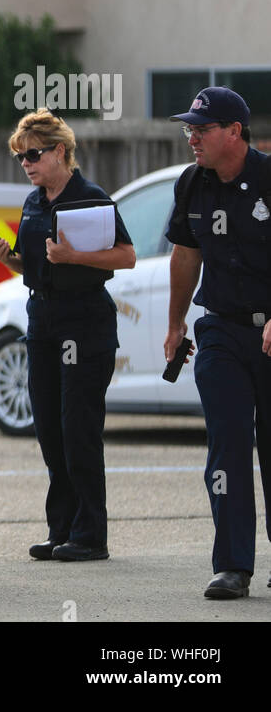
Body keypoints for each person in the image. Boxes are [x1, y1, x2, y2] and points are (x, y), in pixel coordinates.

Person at [0, 109, 135, 564]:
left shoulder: (90, 198)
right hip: (44, 320)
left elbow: (126, 256)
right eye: (20, 157)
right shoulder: (34, 201)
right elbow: (36, 267)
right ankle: (63, 529)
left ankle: (92, 534)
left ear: (60, 152)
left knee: (78, 428)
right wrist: (5, 258)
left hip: (85, 324)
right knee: (49, 427)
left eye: (33, 154)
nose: (26, 164)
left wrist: (74, 255)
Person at [162, 86, 271, 600]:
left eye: (201, 130)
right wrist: (175, 322)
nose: (192, 139)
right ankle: (232, 565)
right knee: (226, 447)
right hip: (221, 330)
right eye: (189, 130)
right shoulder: (192, 183)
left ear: (235, 132)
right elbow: (185, 254)